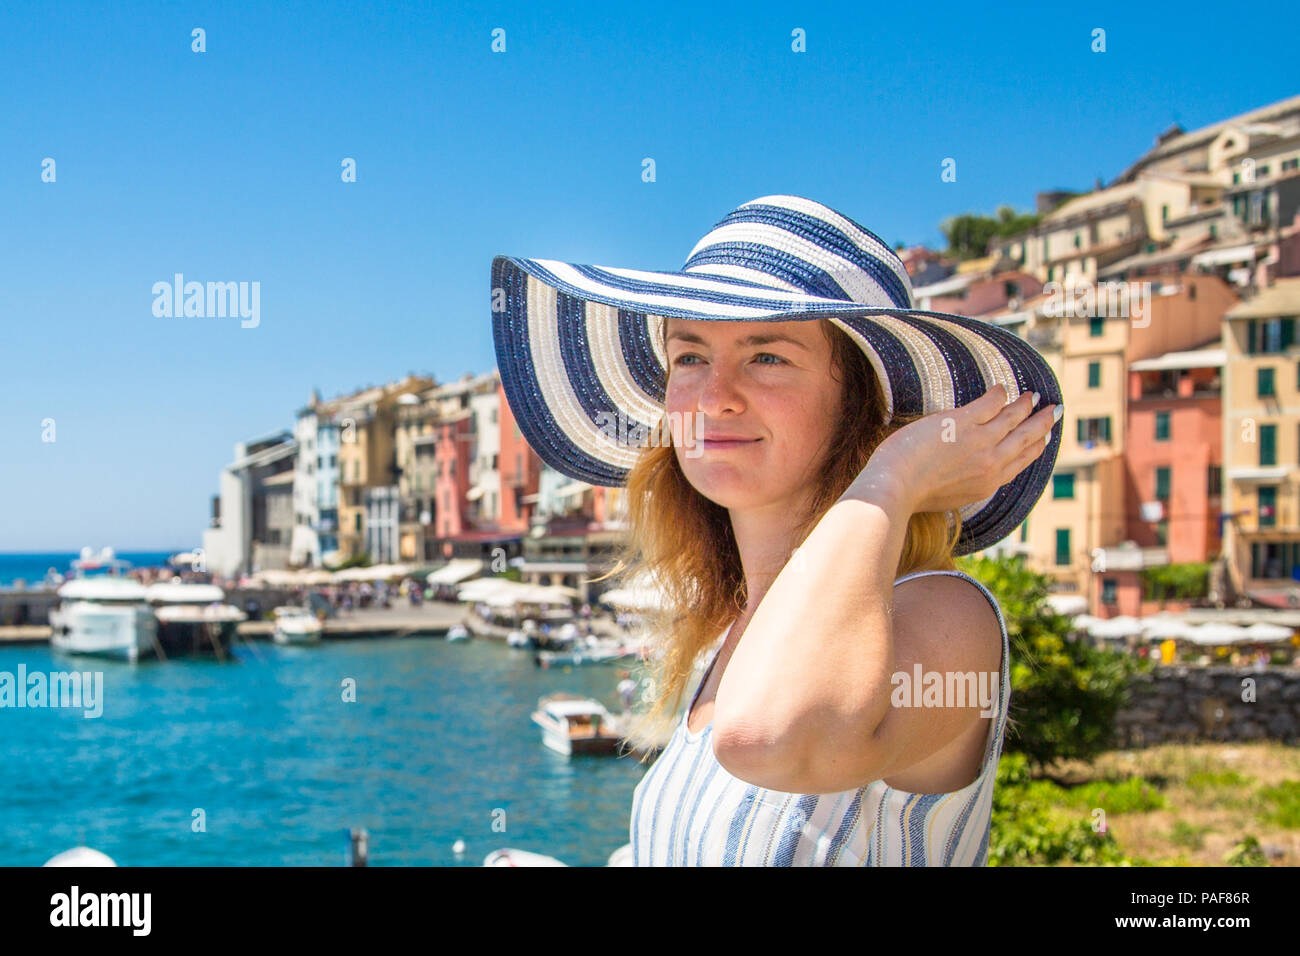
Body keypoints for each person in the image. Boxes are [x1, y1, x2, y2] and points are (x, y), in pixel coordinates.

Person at [489, 194, 1062, 866]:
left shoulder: (942, 613)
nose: (714, 396)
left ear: (865, 402)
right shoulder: (725, 640)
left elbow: (772, 739)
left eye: (768, 357)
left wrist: (893, 477)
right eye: (690, 357)